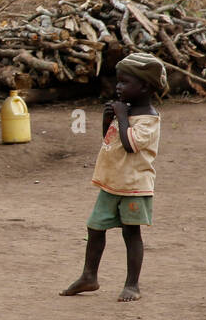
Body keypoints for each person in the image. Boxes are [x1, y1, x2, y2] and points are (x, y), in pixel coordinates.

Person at [61, 53, 165, 302]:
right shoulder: (126, 112)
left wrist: (119, 116)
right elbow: (110, 140)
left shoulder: (149, 118)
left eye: (124, 82)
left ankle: (132, 285)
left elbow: (130, 145)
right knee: (95, 227)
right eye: (118, 81)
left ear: (144, 87)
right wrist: (108, 119)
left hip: (134, 187)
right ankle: (89, 276)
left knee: (131, 234)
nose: (118, 87)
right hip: (111, 184)